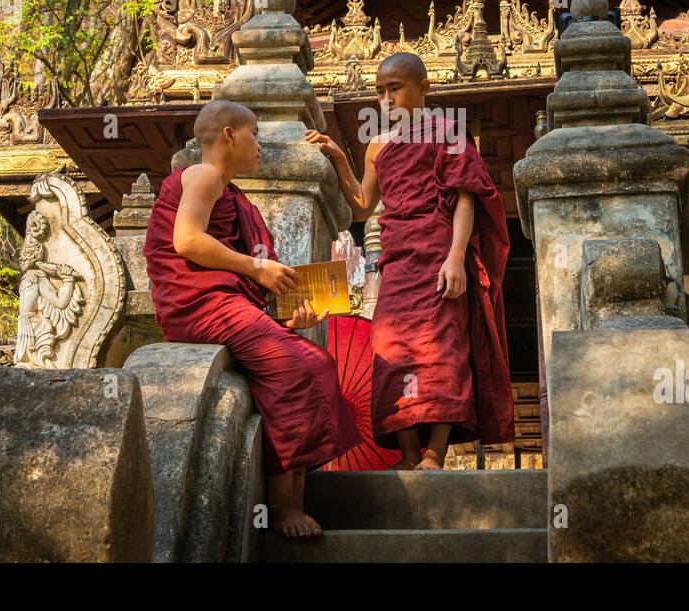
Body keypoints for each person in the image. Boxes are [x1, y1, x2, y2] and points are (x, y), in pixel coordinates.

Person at [143, 99, 360, 537]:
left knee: (314, 360)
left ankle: (294, 496)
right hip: (199, 306)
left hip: (228, 305)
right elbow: (186, 241)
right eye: (254, 133)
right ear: (228, 135)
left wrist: (287, 317)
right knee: (300, 367)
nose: (259, 144)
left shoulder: (235, 196)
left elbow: (237, 272)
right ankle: (282, 508)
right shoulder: (203, 174)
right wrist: (256, 267)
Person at [306, 53, 513, 470]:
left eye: (395, 88)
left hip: (438, 255)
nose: (386, 99)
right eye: (380, 91)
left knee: (443, 352)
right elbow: (364, 204)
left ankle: (435, 452)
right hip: (397, 263)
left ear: (424, 89)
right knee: (391, 351)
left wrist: (456, 258)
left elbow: (466, 198)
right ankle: (411, 453)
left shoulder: (448, 133)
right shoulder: (377, 145)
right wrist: (340, 159)